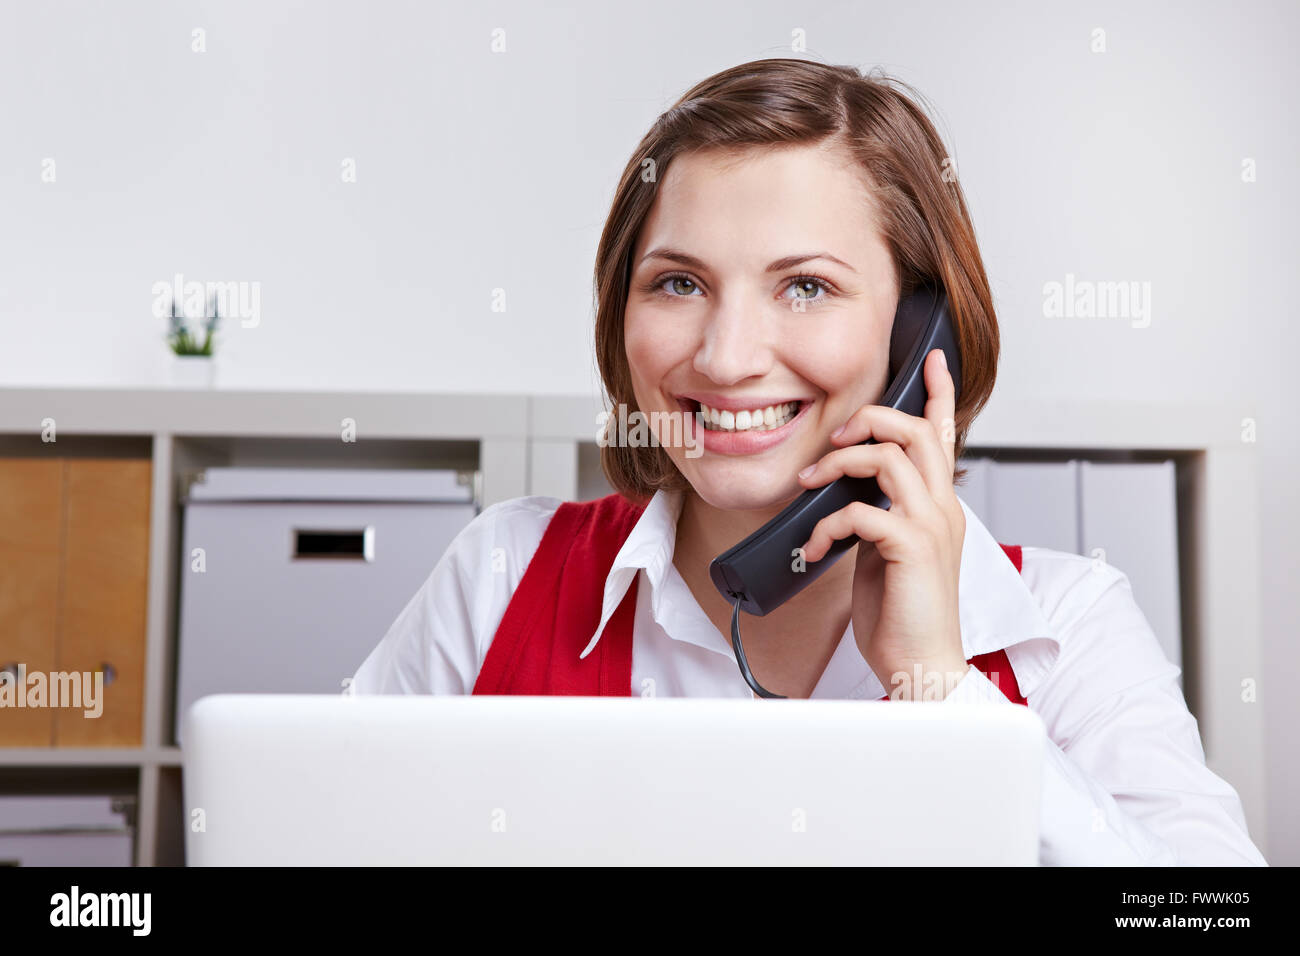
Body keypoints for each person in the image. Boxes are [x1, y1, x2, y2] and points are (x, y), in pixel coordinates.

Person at [352, 58, 1266, 866]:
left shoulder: (1065, 631)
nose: (725, 356)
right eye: (679, 282)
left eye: (806, 286)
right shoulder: (500, 576)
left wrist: (943, 693)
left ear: (920, 337)